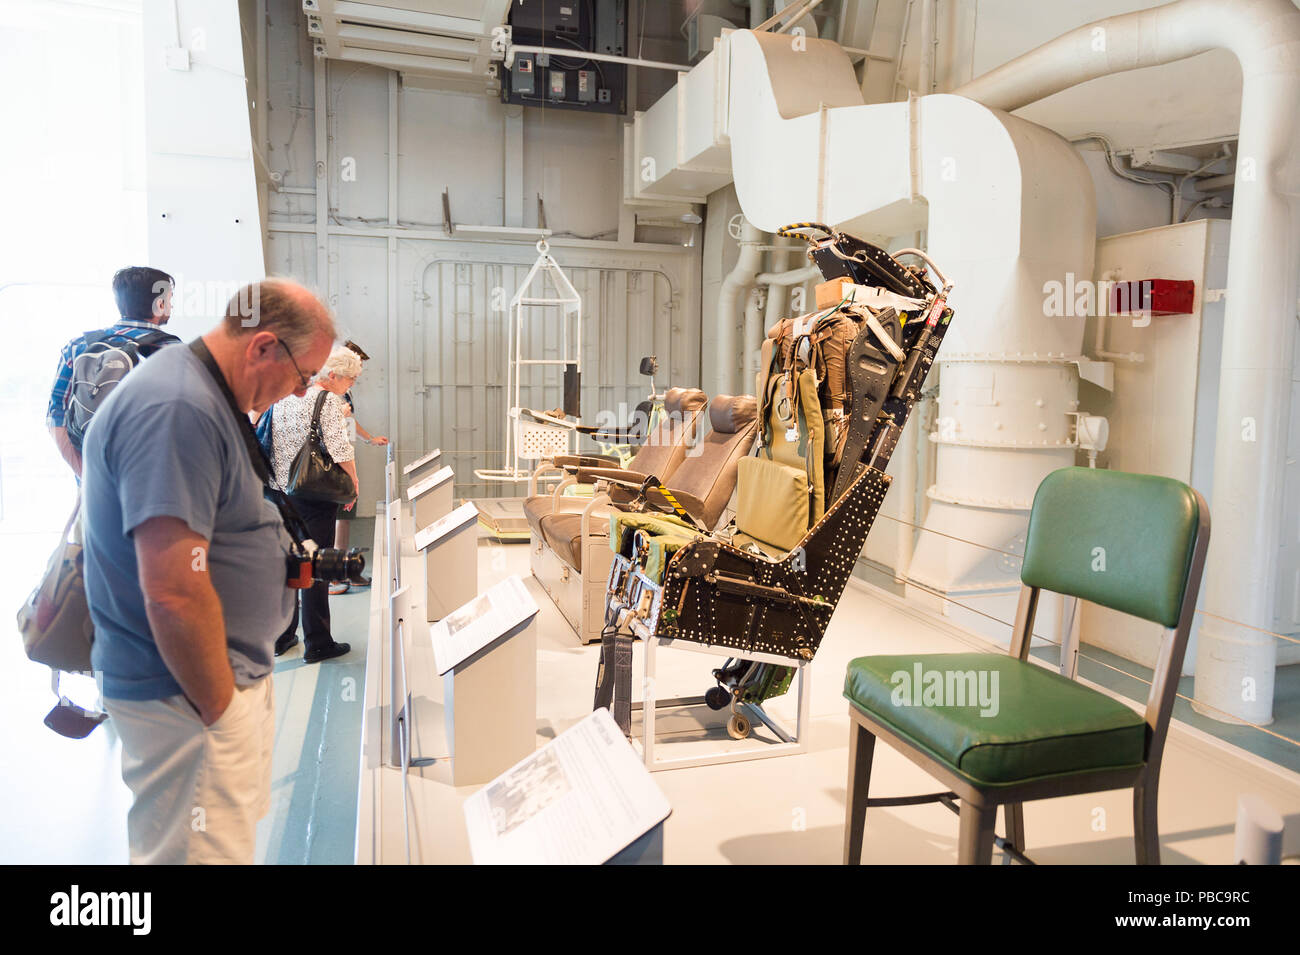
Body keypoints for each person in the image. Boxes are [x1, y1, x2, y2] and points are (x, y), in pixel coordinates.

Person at [80, 278, 336, 864]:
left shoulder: (203, 394)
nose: (299, 392)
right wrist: (220, 711)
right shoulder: (178, 408)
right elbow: (172, 588)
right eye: (302, 376)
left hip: (211, 687)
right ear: (263, 347)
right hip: (188, 699)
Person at [270, 346, 360, 661]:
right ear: (333, 375)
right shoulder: (328, 401)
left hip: (282, 492)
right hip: (314, 494)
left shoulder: (286, 396)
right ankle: (318, 642)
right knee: (316, 564)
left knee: (289, 564)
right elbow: (339, 449)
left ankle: (282, 636)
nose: (351, 386)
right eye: (350, 379)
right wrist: (353, 482)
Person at [47, 266, 181, 476]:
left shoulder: (78, 346)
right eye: (170, 299)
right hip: (148, 482)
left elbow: (56, 415)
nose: (171, 305)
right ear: (160, 303)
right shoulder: (173, 352)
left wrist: (85, 474)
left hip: (92, 484)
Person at [330, 339, 388, 594]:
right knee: (337, 517)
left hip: (346, 456)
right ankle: (332, 576)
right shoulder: (330, 392)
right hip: (336, 462)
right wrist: (350, 475)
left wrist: (369, 438)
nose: (357, 376)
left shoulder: (345, 391)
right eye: (355, 369)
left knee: (344, 517)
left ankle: (343, 570)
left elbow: (350, 421)